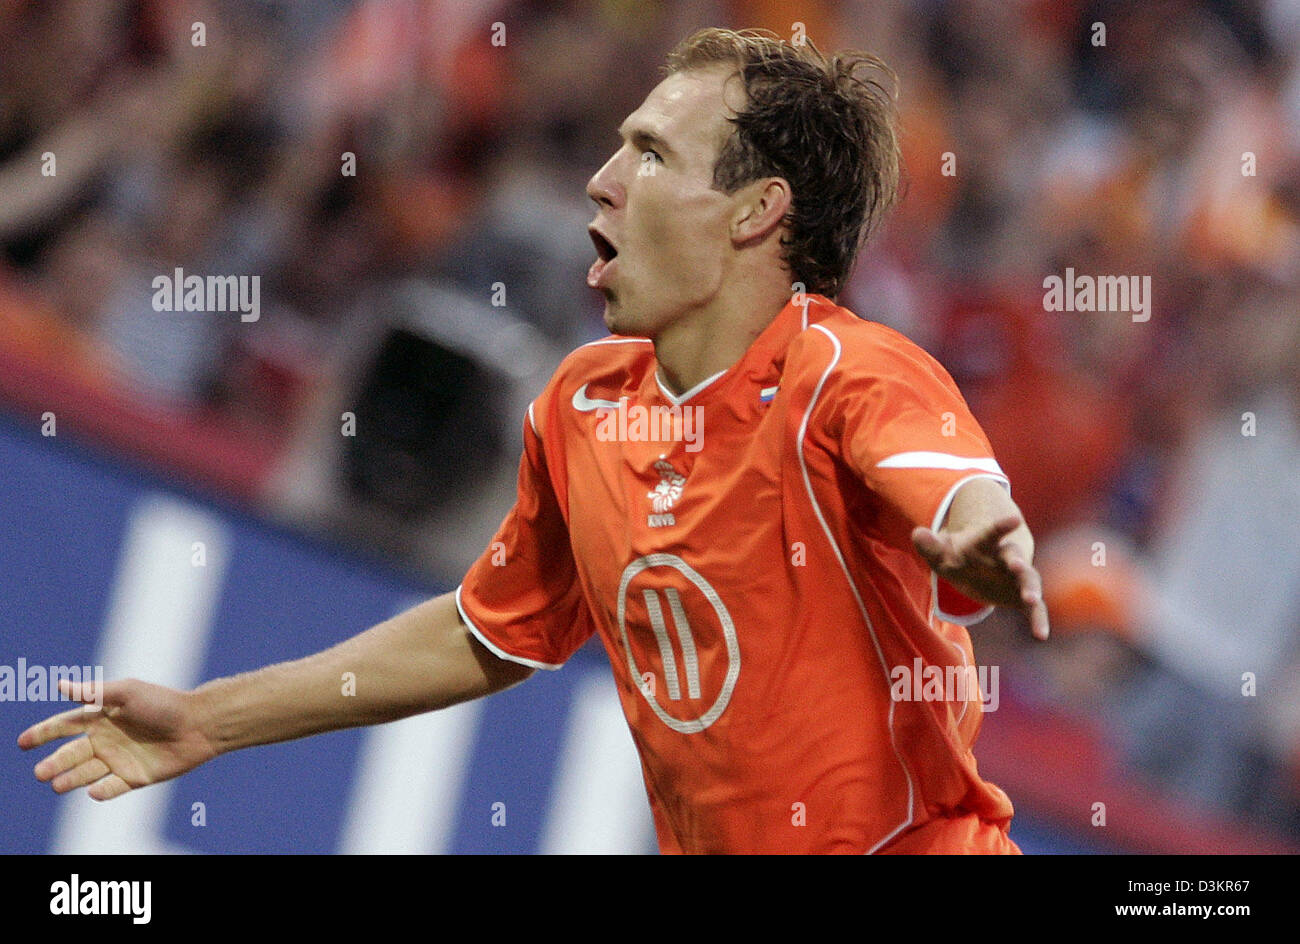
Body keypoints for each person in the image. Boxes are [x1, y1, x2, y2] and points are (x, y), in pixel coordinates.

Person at [19, 28, 1048, 854]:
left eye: (649, 154)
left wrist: (981, 539)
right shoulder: (584, 404)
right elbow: (485, 632)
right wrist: (211, 718)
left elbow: (955, 489)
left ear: (754, 213)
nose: (601, 182)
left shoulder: (847, 373)